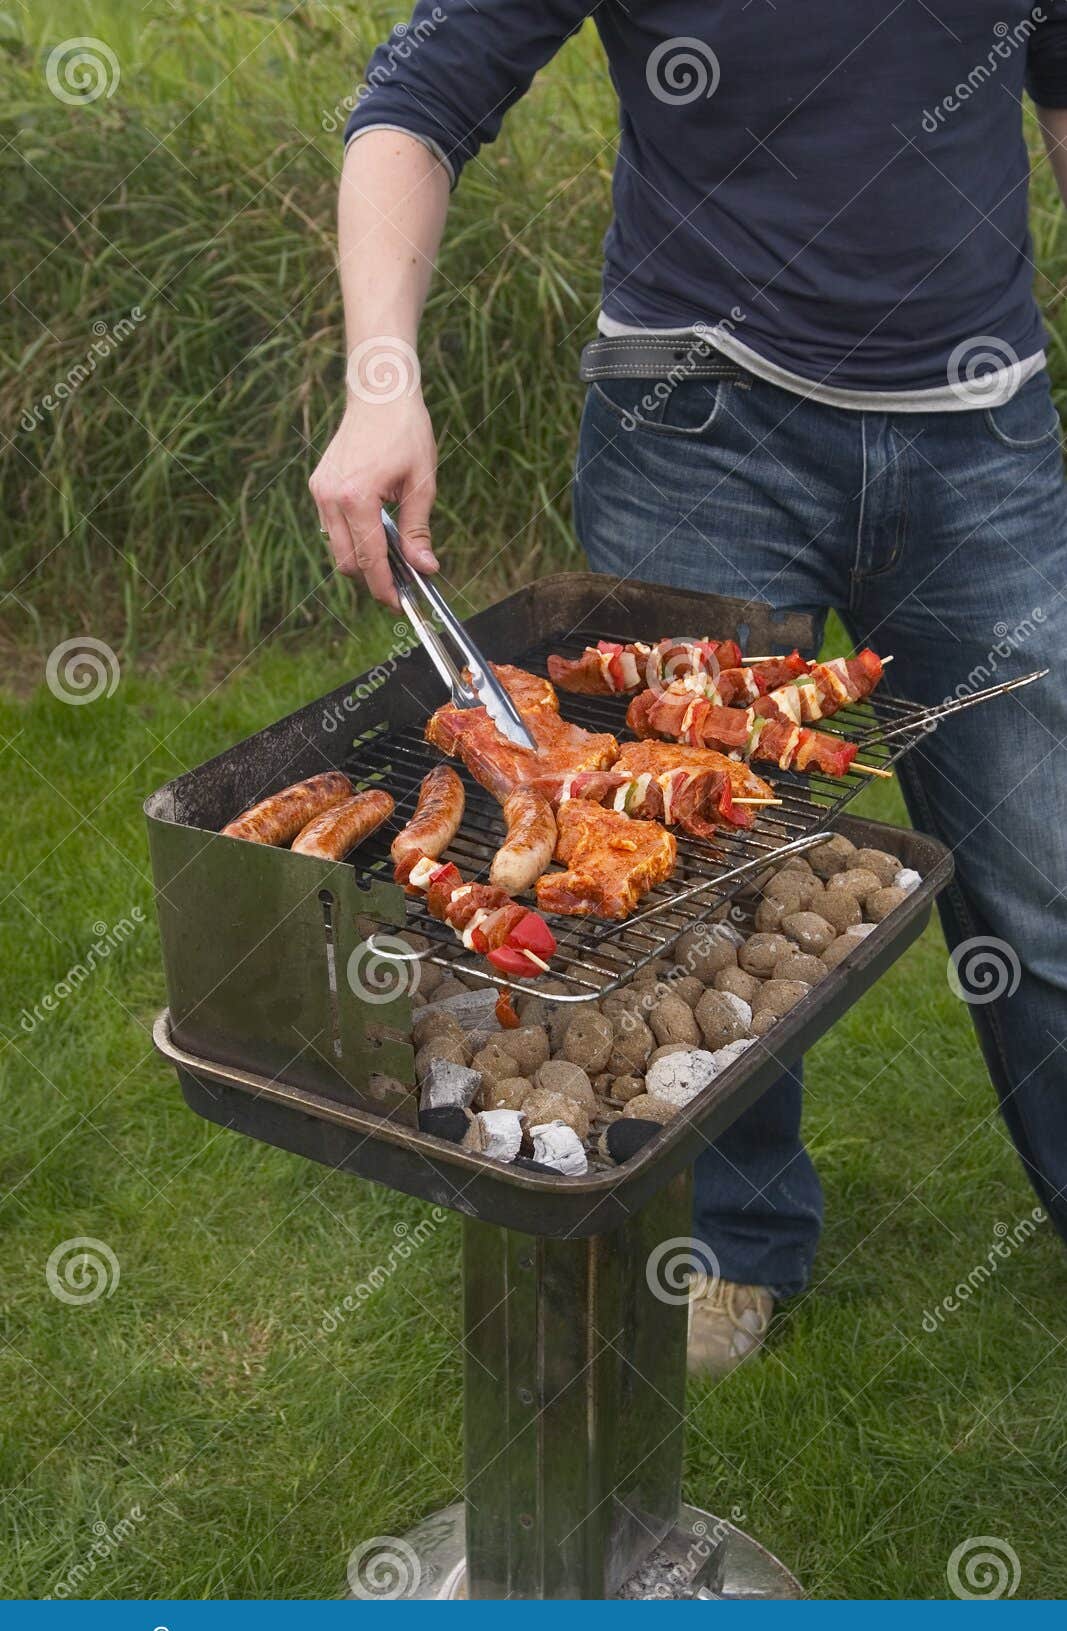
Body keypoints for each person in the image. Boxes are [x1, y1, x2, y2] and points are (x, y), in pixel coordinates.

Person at [310, 3, 1067, 1377]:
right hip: (696, 430)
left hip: (981, 429)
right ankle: (734, 1237)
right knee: (694, 881)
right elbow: (418, 99)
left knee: (1051, 878)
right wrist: (379, 381)